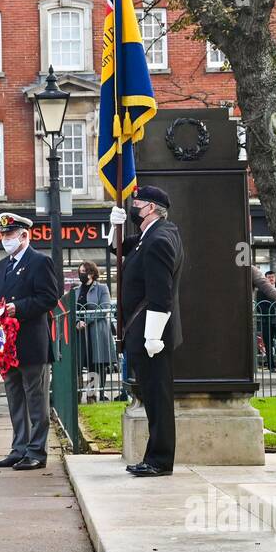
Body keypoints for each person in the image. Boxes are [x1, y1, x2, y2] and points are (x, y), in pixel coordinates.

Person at [109, 186, 184, 477]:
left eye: (136, 203)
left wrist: (152, 336)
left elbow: (160, 293)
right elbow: (117, 249)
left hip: (151, 335)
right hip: (143, 332)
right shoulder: (149, 236)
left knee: (158, 397)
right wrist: (113, 225)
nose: (133, 206)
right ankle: (155, 457)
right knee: (153, 396)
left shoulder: (159, 240)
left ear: (150, 208)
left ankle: (160, 460)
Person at [0, 212, 61, 471]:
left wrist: (21, 307)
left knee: (35, 399)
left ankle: (37, 451)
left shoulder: (40, 262)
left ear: (24, 235)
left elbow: (50, 297)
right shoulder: (4, 265)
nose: (5, 238)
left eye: (9, 234)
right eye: (3, 234)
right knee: (15, 398)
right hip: (7, 346)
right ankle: (19, 448)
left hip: (31, 342)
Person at [75, 260, 114, 401]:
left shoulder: (102, 288)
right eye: (79, 272)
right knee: (78, 364)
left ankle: (92, 395)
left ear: (91, 273)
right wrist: (77, 322)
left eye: (83, 272)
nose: (81, 274)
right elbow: (73, 310)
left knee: (96, 364)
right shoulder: (76, 290)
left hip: (97, 332)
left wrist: (85, 319)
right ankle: (77, 396)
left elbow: (104, 308)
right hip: (80, 333)